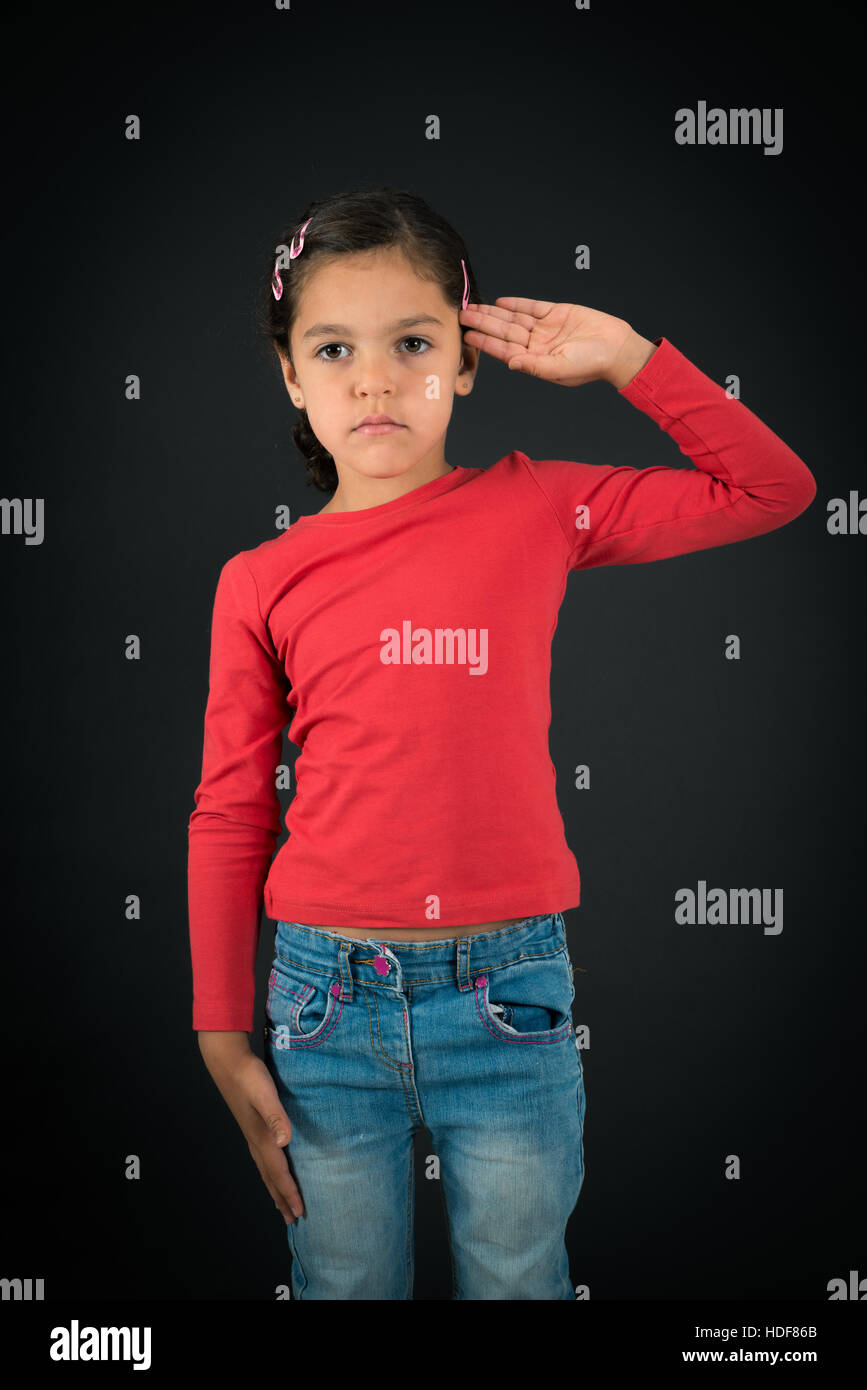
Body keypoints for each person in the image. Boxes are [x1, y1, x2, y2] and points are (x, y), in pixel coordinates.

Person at [187, 184, 816, 1300]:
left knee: (521, 1283)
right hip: (325, 1006)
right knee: (342, 1284)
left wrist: (627, 356)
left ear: (468, 361)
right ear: (291, 374)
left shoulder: (539, 509)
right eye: (333, 349)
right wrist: (220, 1028)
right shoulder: (259, 580)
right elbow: (233, 809)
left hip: (508, 998)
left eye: (414, 342)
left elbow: (773, 488)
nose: (375, 377)